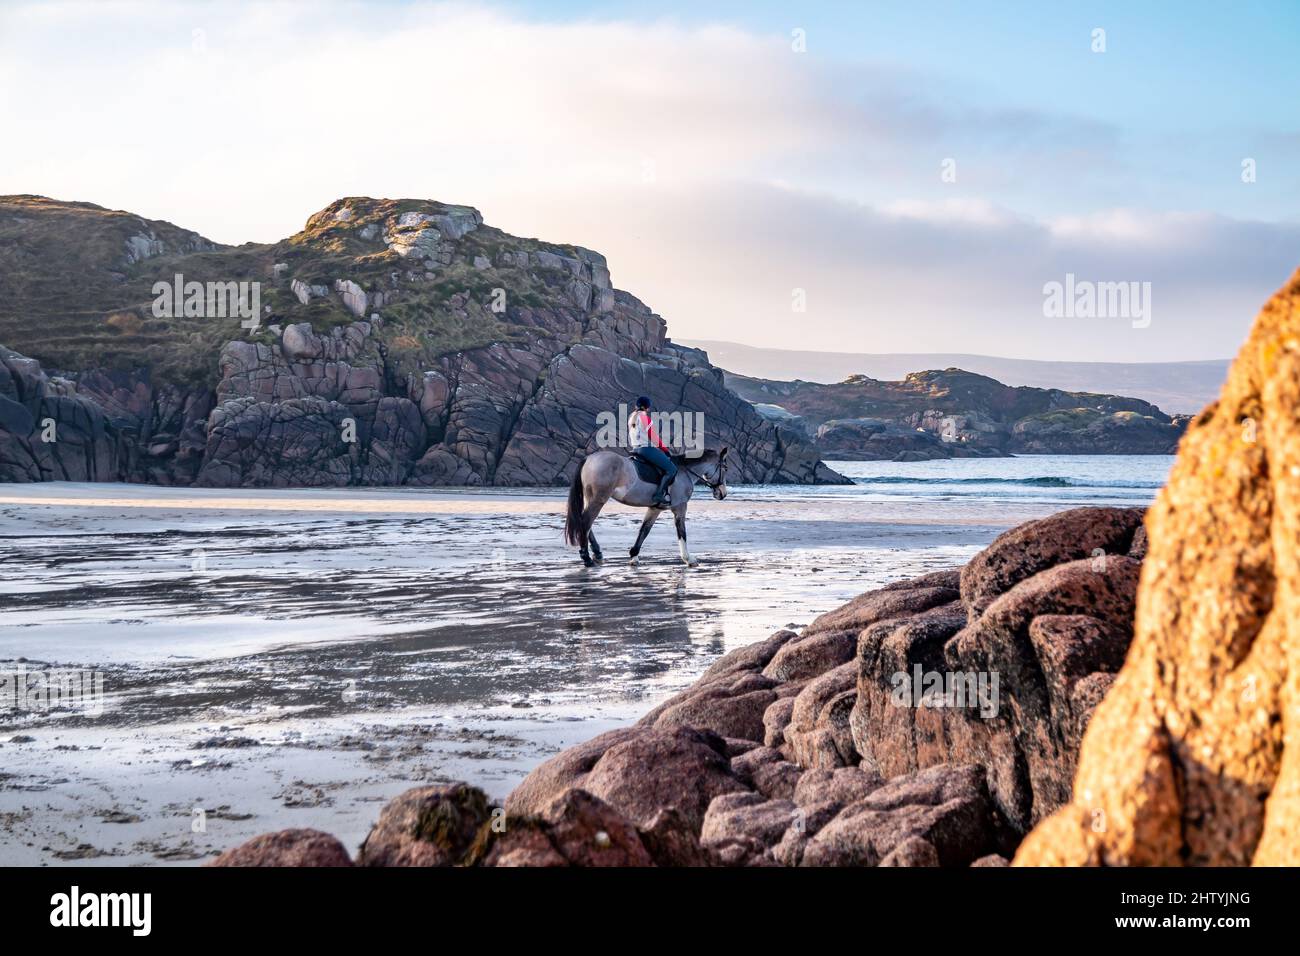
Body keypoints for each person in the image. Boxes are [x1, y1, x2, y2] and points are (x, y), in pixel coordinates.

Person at [628, 395, 677, 506]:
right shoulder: (645, 418)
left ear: (636, 406)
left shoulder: (632, 417)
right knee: (672, 469)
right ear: (647, 407)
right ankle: (659, 495)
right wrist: (665, 450)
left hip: (635, 448)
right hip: (645, 449)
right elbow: (654, 438)